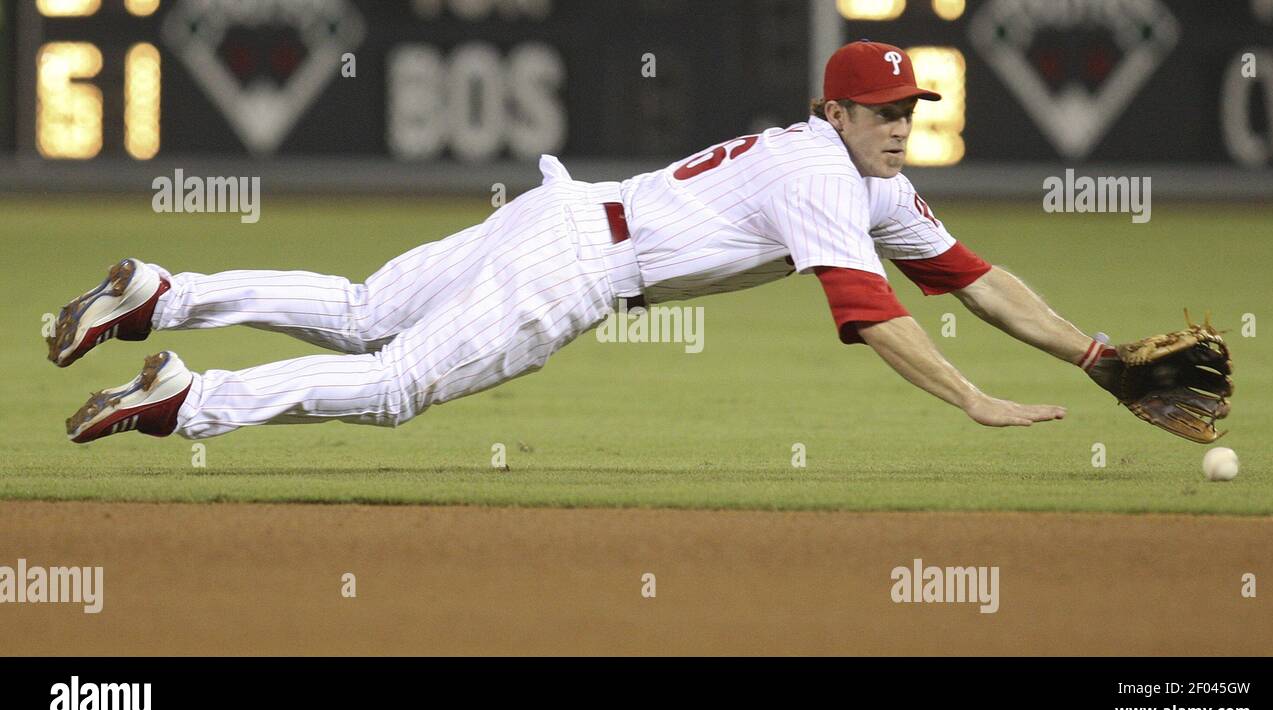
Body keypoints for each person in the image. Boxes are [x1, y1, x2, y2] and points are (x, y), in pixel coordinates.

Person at [52, 40, 1106, 445]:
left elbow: (972, 279)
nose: (896, 124)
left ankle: (159, 291)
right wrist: (972, 397)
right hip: (577, 263)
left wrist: (1095, 356)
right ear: (831, 111)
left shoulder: (863, 180)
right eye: (878, 108)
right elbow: (872, 316)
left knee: (363, 308)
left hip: (561, 211)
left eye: (905, 109)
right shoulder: (827, 175)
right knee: (391, 384)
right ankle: (190, 398)